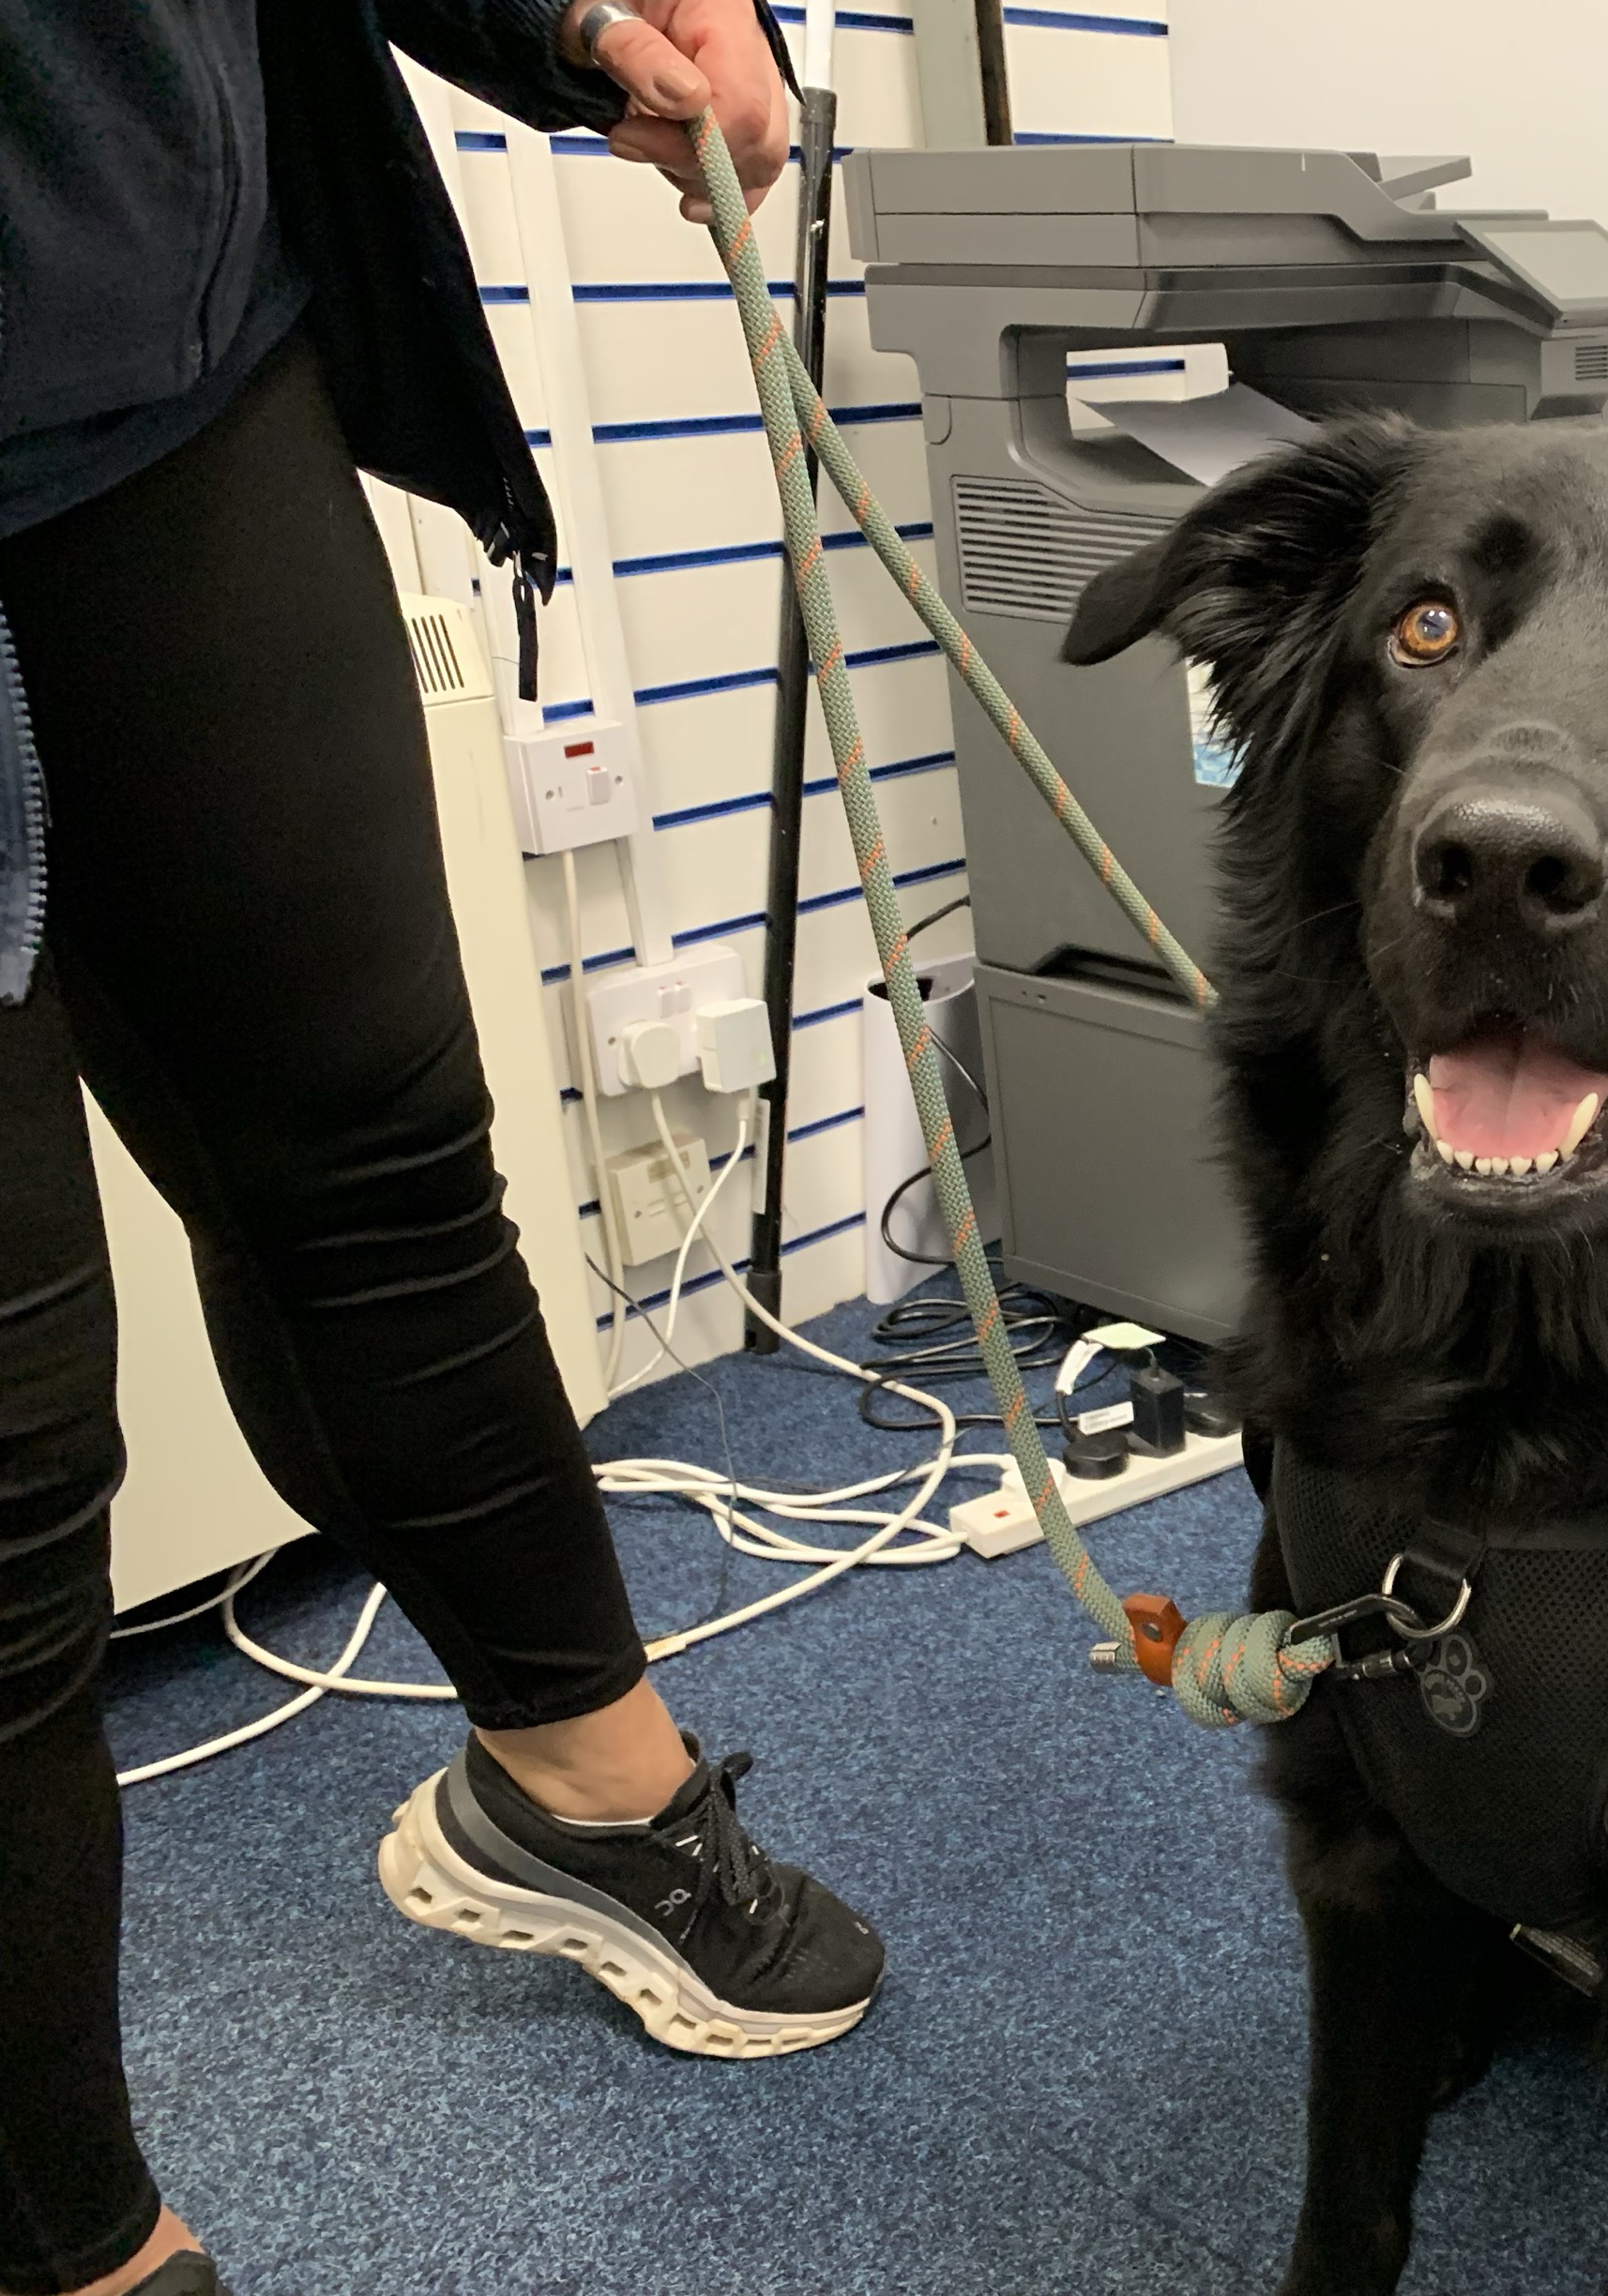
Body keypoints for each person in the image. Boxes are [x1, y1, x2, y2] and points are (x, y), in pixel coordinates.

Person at [0, 8, 880, 2292]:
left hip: (165, 336)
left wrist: (565, 16)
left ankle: (580, 1790)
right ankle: (75, 2244)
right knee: (4, 1456)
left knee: (383, 1163)